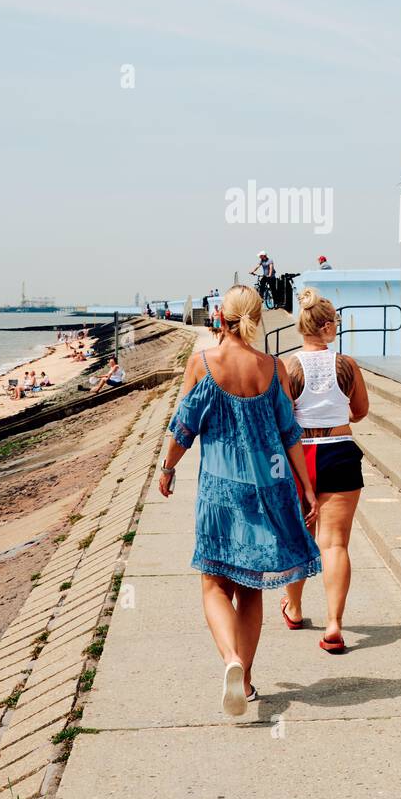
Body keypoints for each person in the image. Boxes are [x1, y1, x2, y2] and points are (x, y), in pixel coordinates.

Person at [157, 284, 320, 717]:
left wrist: (167, 468)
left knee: (213, 583)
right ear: (256, 319)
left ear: (219, 318)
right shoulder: (273, 368)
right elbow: (290, 435)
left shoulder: (204, 364)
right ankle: (244, 679)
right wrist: (305, 487)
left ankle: (230, 659)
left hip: (220, 489)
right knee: (251, 590)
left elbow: (184, 429)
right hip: (269, 488)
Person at [281, 288, 369, 654]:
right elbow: (360, 411)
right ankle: (334, 624)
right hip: (339, 454)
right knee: (334, 544)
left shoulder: (287, 366)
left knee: (297, 539)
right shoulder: (346, 365)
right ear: (328, 326)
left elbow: (283, 419)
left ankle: (296, 607)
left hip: (300, 455)